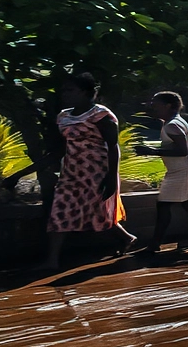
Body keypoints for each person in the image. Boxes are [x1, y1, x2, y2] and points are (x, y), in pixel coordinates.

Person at [37, 73, 135, 271]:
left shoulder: (101, 115)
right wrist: (20, 174)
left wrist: (111, 179)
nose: (65, 94)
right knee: (59, 212)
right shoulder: (64, 116)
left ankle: (126, 238)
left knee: (98, 213)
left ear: (85, 92)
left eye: (70, 90)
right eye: (63, 90)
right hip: (72, 173)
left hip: (97, 172)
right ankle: (52, 261)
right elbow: (61, 148)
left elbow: (113, 147)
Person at [137, 91, 188, 253]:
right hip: (187, 169)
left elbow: (182, 151)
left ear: (168, 106)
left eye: (156, 104)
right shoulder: (175, 122)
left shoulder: (172, 125)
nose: (152, 107)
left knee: (164, 205)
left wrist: (152, 151)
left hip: (182, 171)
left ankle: (155, 244)